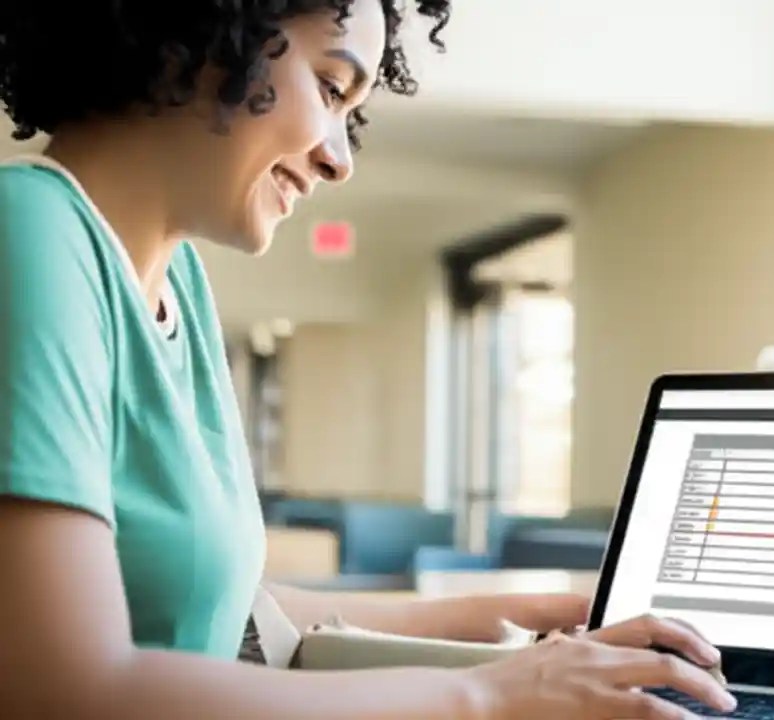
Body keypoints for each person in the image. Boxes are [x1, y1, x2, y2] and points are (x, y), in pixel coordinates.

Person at [0, 2, 735, 718]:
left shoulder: (178, 282)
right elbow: (64, 689)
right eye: (330, 87)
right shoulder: (29, 230)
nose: (339, 158)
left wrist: (538, 619)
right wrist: (487, 697)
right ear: (206, 33)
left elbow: (226, 617)